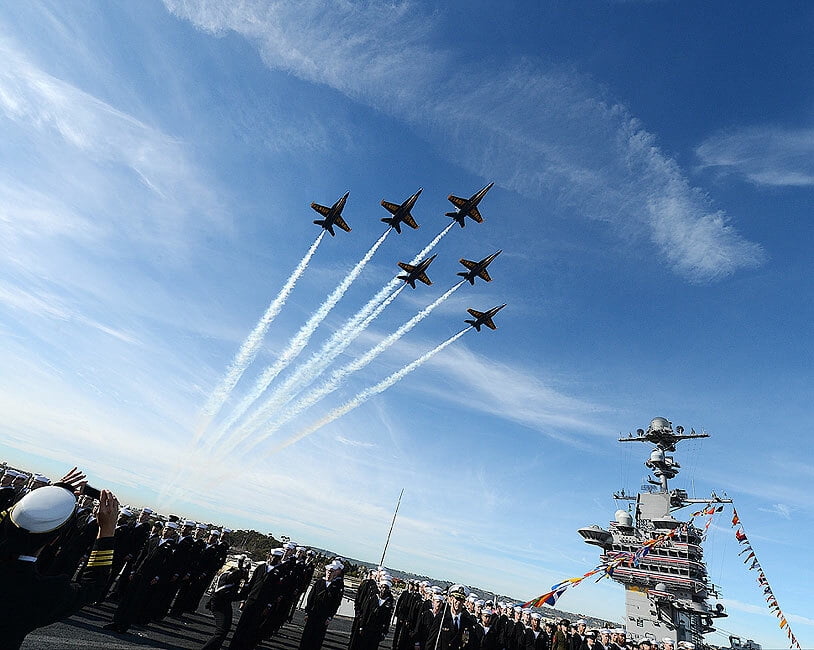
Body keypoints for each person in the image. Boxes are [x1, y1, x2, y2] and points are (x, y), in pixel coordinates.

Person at [0, 468, 119, 649]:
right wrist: (107, 531)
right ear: (54, 539)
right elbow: (92, 586)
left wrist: (52, 494)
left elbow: (13, 520)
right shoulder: (39, 592)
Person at [200, 556, 249, 650]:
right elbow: (237, 596)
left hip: (223, 603)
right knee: (221, 631)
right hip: (219, 604)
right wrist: (245, 583)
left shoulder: (227, 578)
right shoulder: (225, 581)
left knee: (225, 629)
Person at [299, 560, 345, 650]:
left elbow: (335, 603)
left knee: (317, 638)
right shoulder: (319, 582)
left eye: (331, 572)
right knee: (307, 636)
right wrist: (307, 612)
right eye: (328, 571)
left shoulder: (337, 586)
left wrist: (330, 617)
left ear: (335, 573)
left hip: (324, 616)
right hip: (313, 613)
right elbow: (310, 598)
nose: (329, 573)